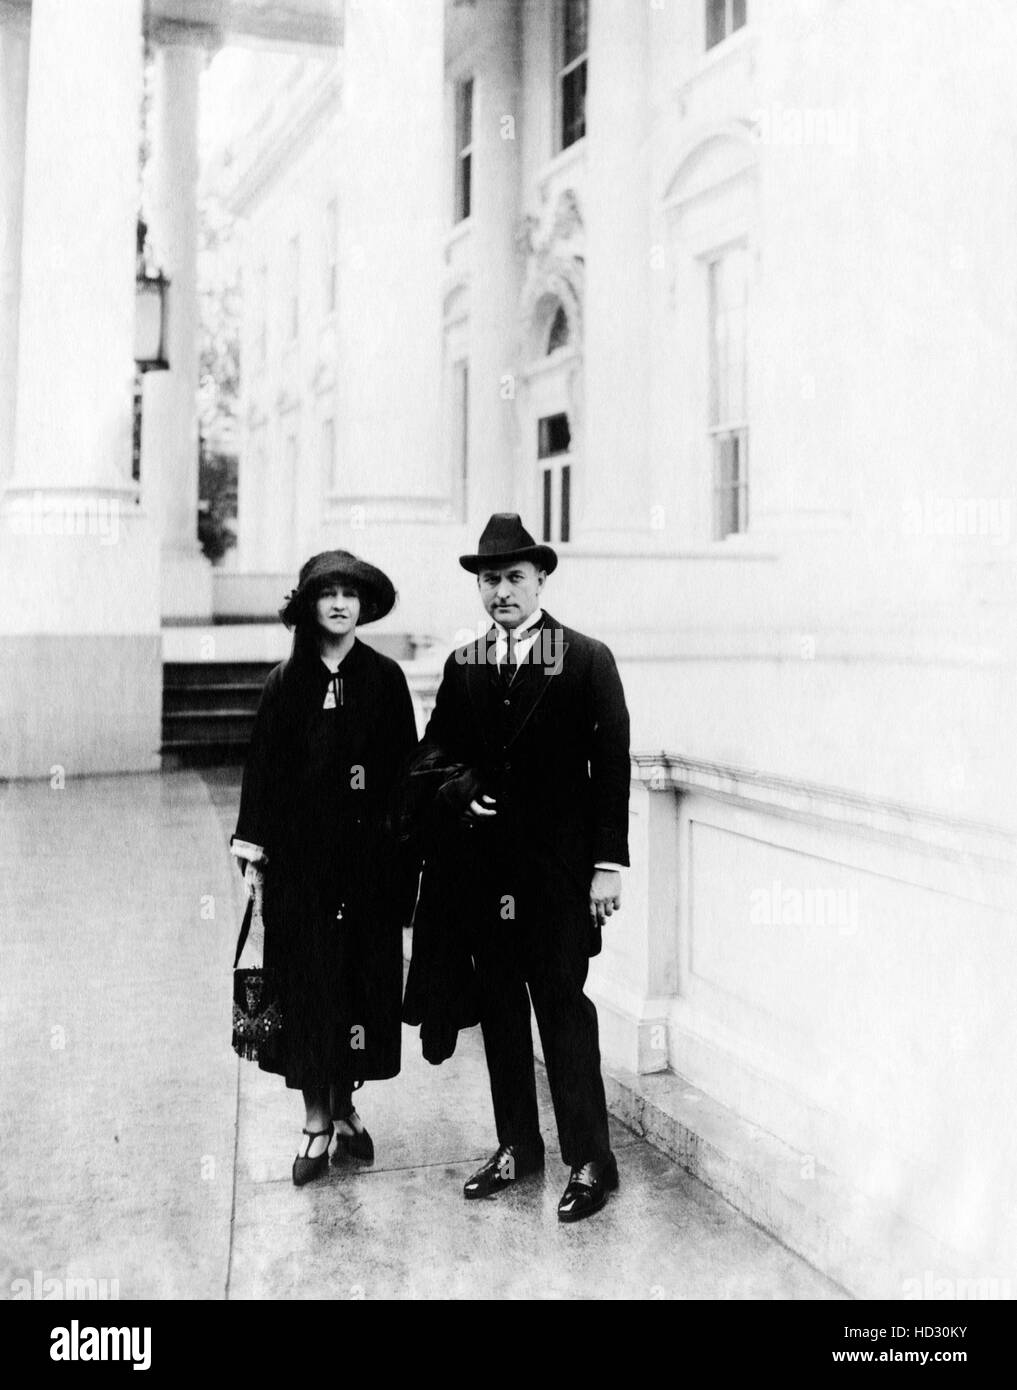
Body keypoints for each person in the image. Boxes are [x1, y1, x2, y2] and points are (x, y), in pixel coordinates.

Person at [403, 514, 630, 1222]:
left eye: (512, 578)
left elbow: (611, 770)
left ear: (539, 579)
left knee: (562, 1008)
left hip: (557, 876)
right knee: (499, 1010)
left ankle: (590, 1158)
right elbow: (431, 756)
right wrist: (463, 794)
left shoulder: (586, 658)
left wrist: (607, 866)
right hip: (484, 873)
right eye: (488, 579)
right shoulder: (464, 663)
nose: (500, 591)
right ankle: (516, 1147)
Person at [231, 550, 418, 1186]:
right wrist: (254, 847)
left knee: (359, 986)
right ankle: (315, 1121)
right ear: (309, 606)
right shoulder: (286, 685)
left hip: (366, 872)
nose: (339, 603)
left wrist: (402, 851)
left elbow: (404, 775)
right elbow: (262, 773)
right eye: (327, 593)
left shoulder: (386, 681)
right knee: (309, 988)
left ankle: (345, 1107)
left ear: (363, 606)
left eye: (349, 594)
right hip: (302, 873)